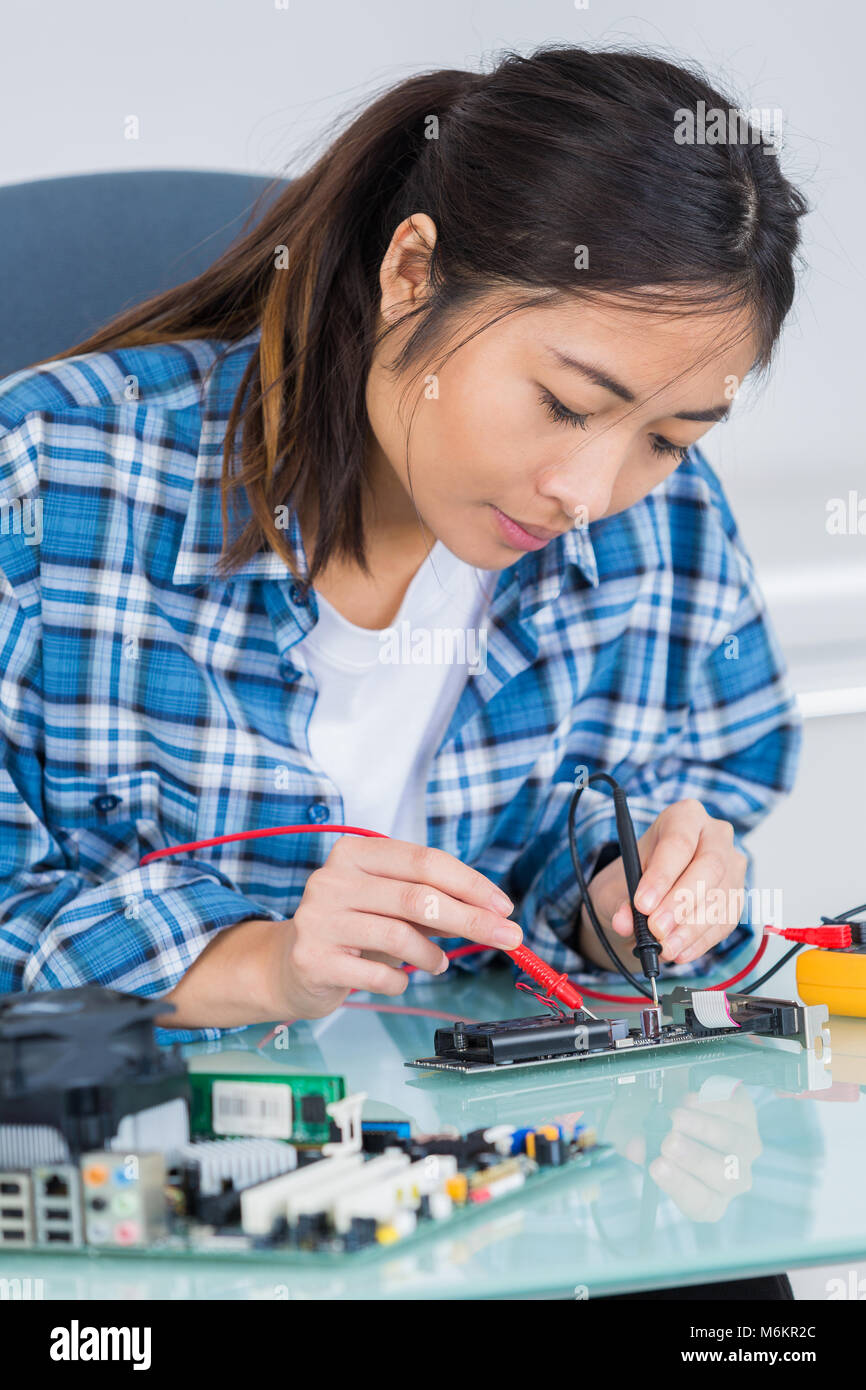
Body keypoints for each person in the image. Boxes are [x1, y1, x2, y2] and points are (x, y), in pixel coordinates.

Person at [0, 45, 805, 1043]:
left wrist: (624, 904)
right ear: (412, 273)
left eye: (665, 438)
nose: (589, 494)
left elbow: (685, 800)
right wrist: (271, 964)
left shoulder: (668, 522)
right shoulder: (49, 477)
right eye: (562, 403)